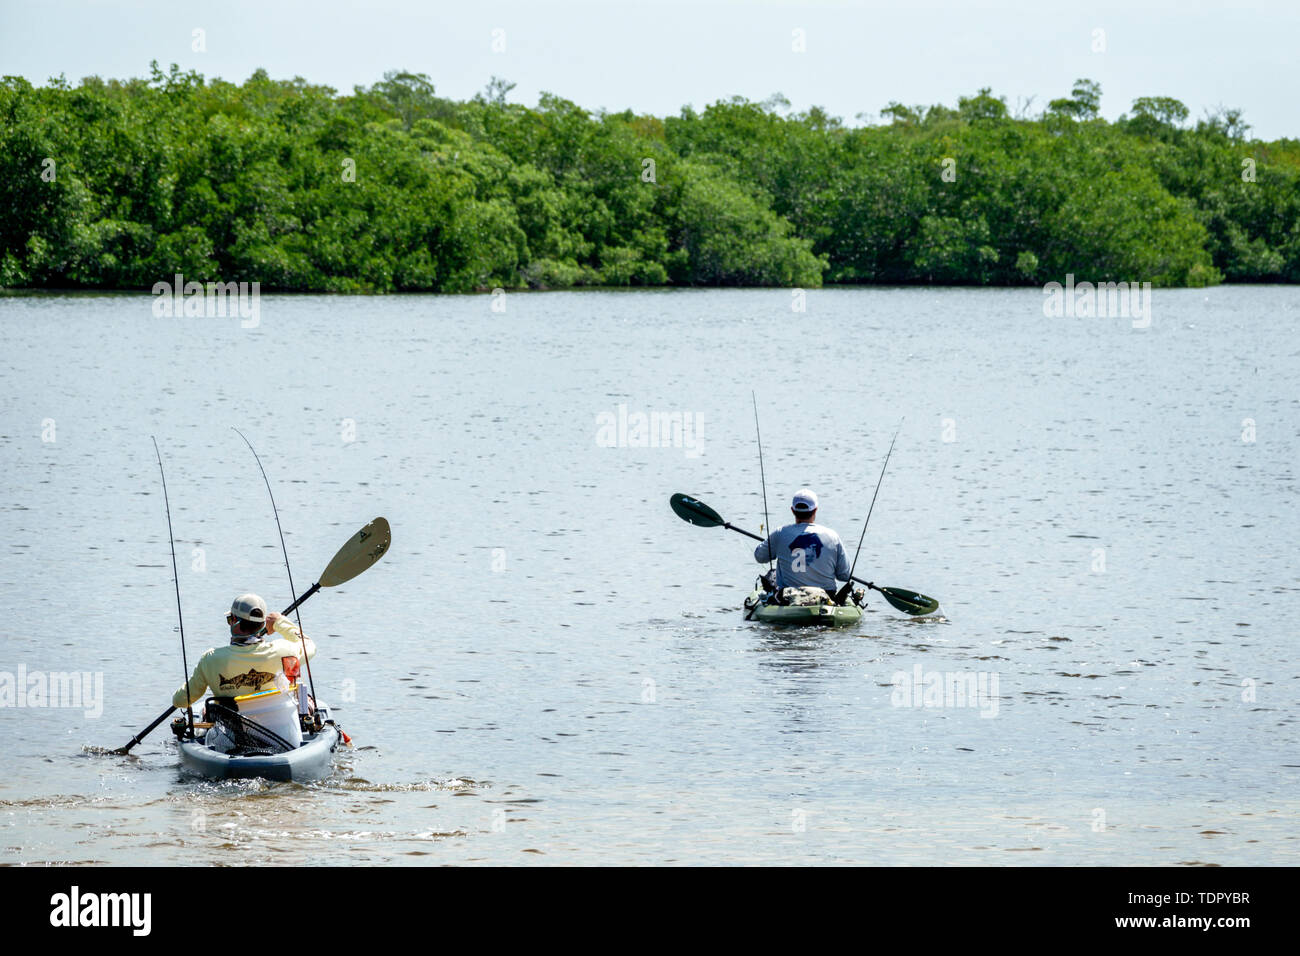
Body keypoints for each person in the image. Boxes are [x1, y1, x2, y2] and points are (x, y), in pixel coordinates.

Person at [172, 593, 316, 709]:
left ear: (234, 621)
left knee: (205, 710)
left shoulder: (210, 659)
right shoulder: (285, 650)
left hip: (232, 731)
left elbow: (180, 701)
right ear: (262, 624)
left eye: (229, 619)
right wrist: (280, 622)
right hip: (280, 728)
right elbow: (310, 646)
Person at [753, 488, 852, 601]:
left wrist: (775, 544)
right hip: (826, 598)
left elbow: (759, 557)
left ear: (792, 510)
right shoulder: (833, 536)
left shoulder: (780, 533)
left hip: (789, 598)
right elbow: (844, 575)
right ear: (815, 510)